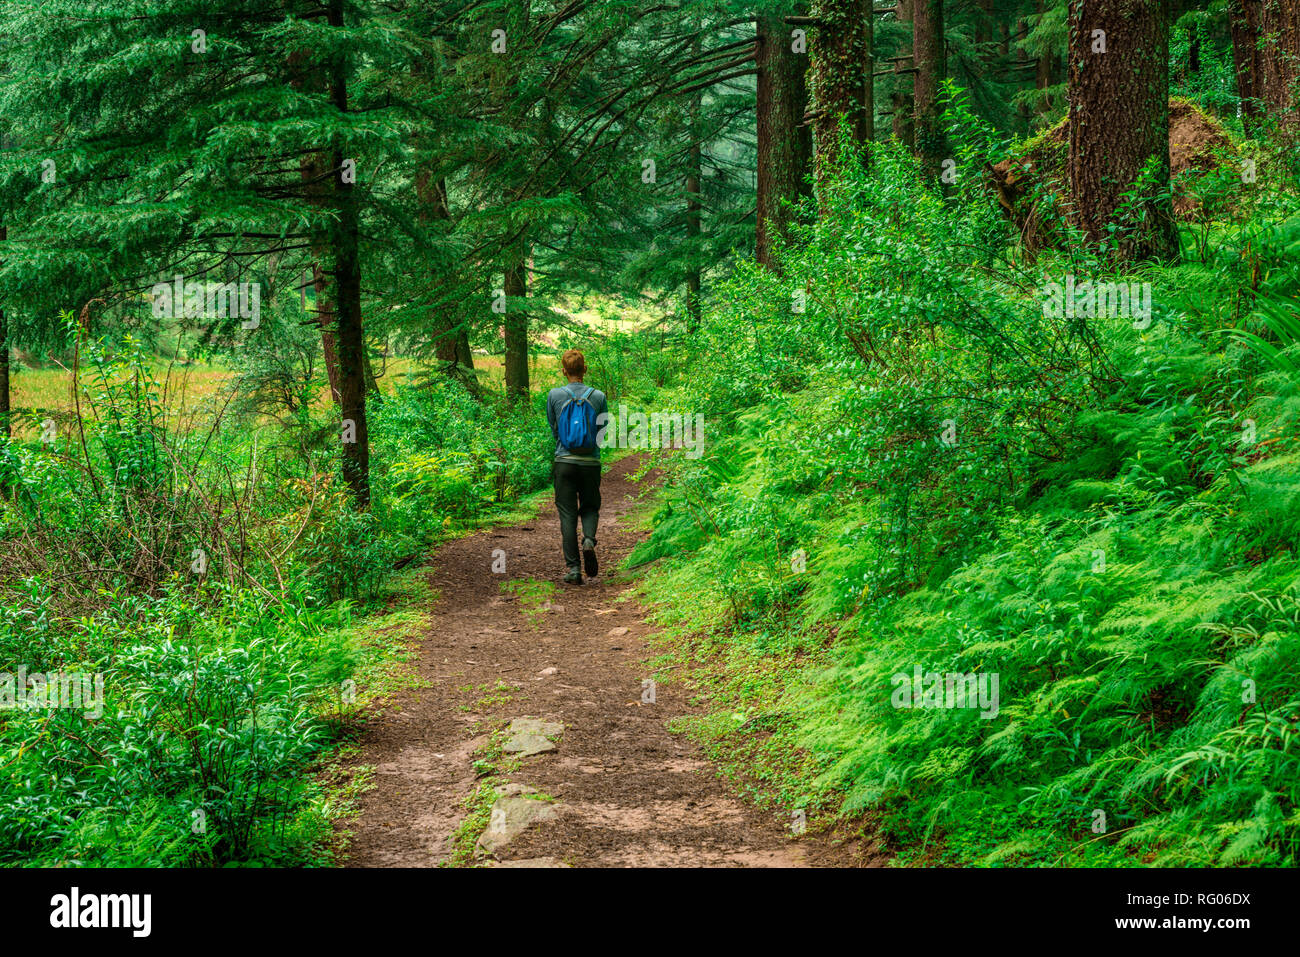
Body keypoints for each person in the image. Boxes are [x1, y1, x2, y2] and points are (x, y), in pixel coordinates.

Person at [546, 349, 608, 584]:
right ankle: (589, 540)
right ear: (585, 370)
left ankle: (574, 570)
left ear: (564, 371)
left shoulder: (554, 395)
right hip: (590, 462)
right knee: (590, 506)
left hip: (564, 462)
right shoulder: (599, 396)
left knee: (567, 515)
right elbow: (602, 432)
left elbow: (554, 428)